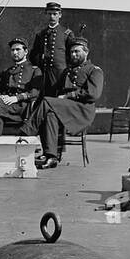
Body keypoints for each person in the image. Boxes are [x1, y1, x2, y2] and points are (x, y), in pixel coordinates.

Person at [25, 37, 104, 168]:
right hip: (65, 109)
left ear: (86, 52)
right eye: (72, 52)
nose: (73, 55)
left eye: (77, 51)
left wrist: (68, 96)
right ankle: (51, 156)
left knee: (46, 102)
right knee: (50, 114)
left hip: (82, 110)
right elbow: (55, 90)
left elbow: (93, 94)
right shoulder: (67, 71)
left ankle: (26, 134)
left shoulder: (94, 70)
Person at [29, 1, 75, 89]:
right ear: (46, 14)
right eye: (49, 14)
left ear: (60, 15)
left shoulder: (66, 33)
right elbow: (34, 54)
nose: (52, 17)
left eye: (55, 14)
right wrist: (40, 59)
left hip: (61, 73)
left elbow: (72, 54)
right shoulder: (41, 34)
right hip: (44, 73)